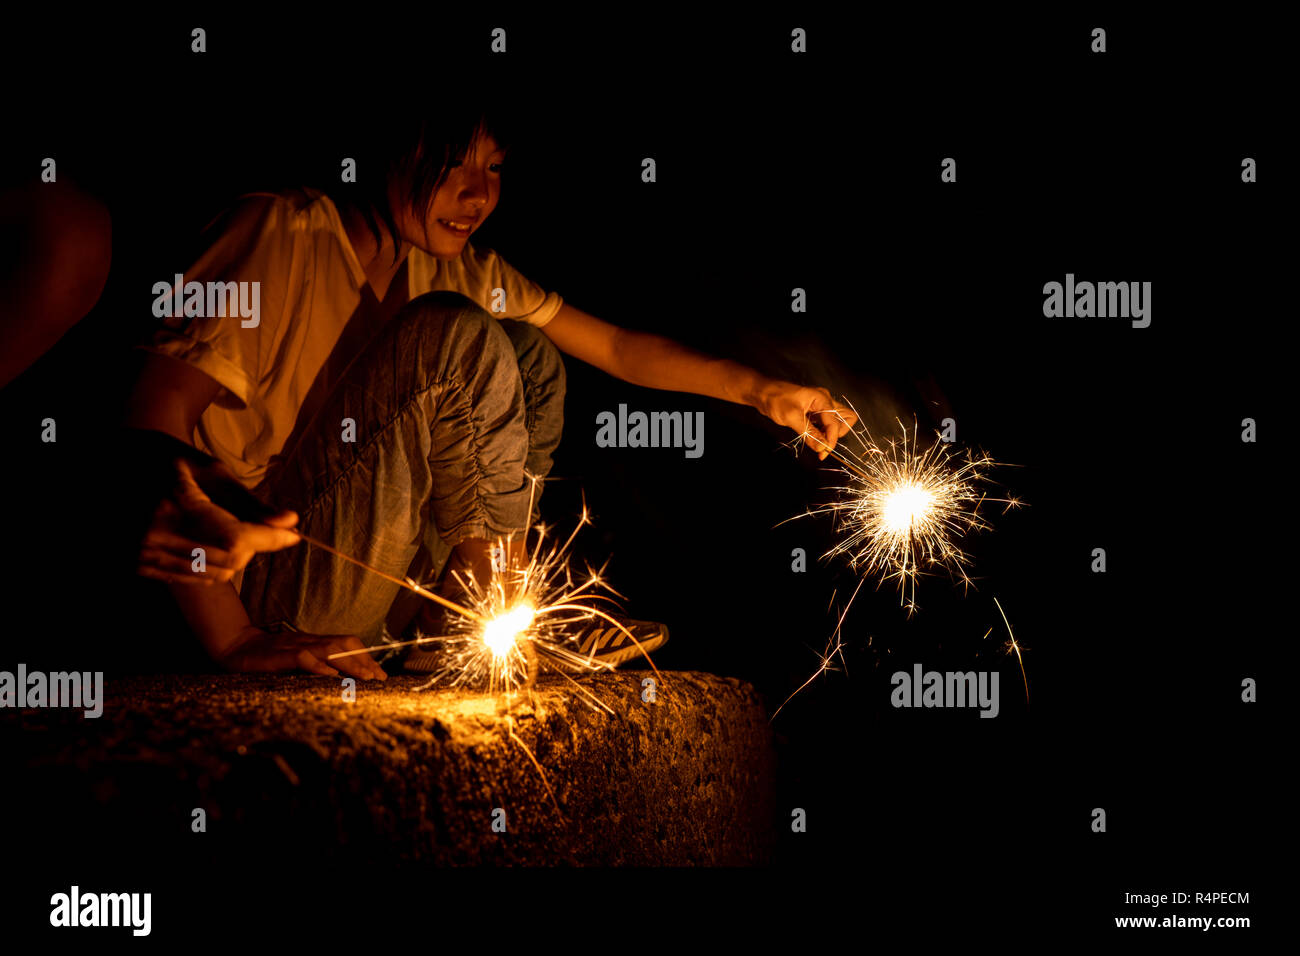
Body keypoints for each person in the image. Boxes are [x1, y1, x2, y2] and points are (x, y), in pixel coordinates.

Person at [126, 104, 856, 679]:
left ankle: (465, 622)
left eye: (494, 168)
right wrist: (234, 639)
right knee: (455, 334)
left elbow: (617, 347)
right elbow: (153, 410)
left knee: (530, 352)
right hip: (273, 577)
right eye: (449, 164)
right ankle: (489, 608)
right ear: (384, 147)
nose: (475, 194)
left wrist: (765, 391)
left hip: (382, 589)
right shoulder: (280, 231)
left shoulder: (462, 269)